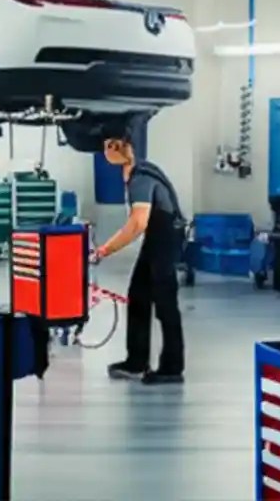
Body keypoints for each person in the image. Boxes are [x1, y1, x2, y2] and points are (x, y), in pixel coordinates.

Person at [94, 125, 186, 385]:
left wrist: (104, 249)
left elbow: (137, 224)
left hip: (166, 237)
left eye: (108, 145)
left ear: (119, 147)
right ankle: (136, 362)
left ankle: (171, 368)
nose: (105, 151)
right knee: (138, 296)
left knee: (165, 302)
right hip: (159, 237)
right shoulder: (137, 171)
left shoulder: (140, 177)